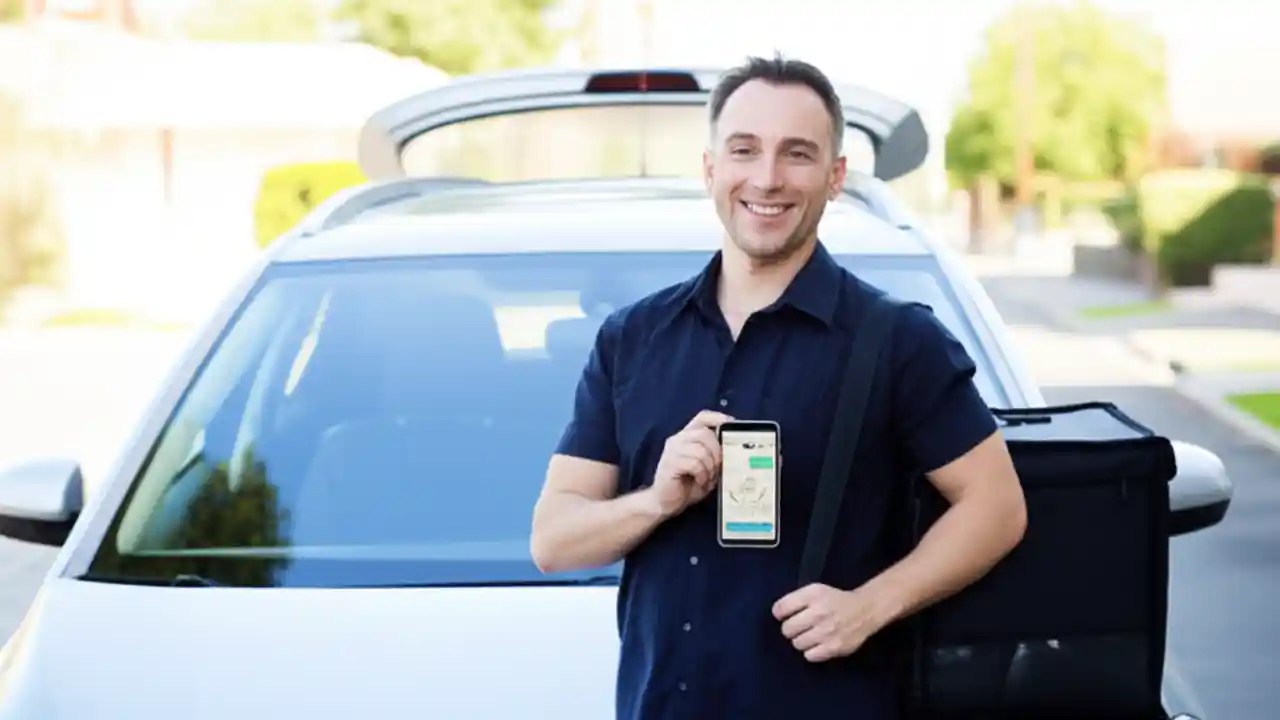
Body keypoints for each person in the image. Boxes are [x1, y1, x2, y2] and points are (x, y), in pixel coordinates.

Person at [530, 54, 1027, 720]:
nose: (767, 178)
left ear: (835, 177)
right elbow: (554, 540)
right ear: (711, 168)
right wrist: (654, 503)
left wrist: (870, 606)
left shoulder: (897, 340)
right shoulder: (633, 339)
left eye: (797, 154)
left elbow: (997, 507)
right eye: (744, 150)